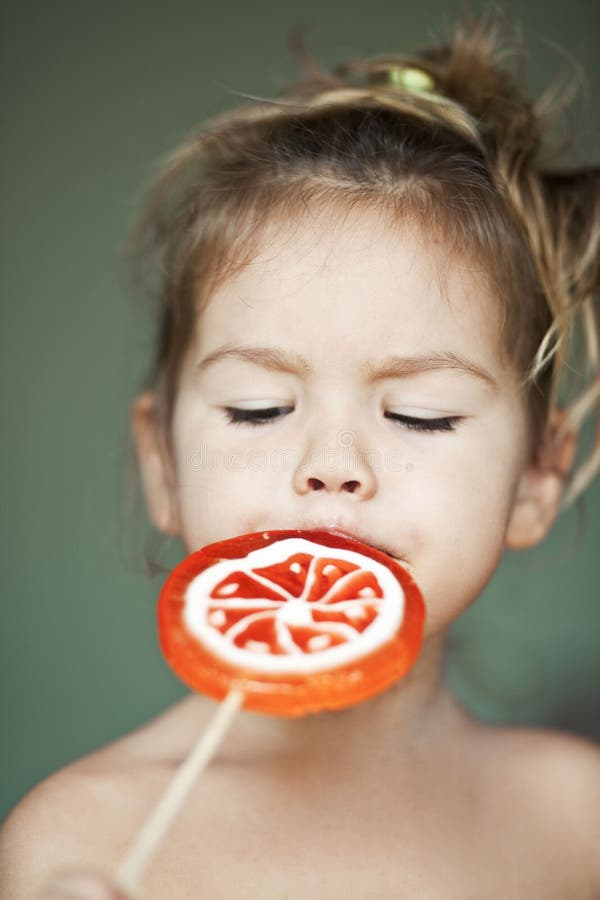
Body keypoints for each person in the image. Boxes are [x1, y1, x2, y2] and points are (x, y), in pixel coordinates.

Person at [2, 10, 600, 899]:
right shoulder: (75, 839)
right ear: (163, 463)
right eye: (259, 408)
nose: (331, 464)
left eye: (423, 415)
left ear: (537, 478)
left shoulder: (578, 820)